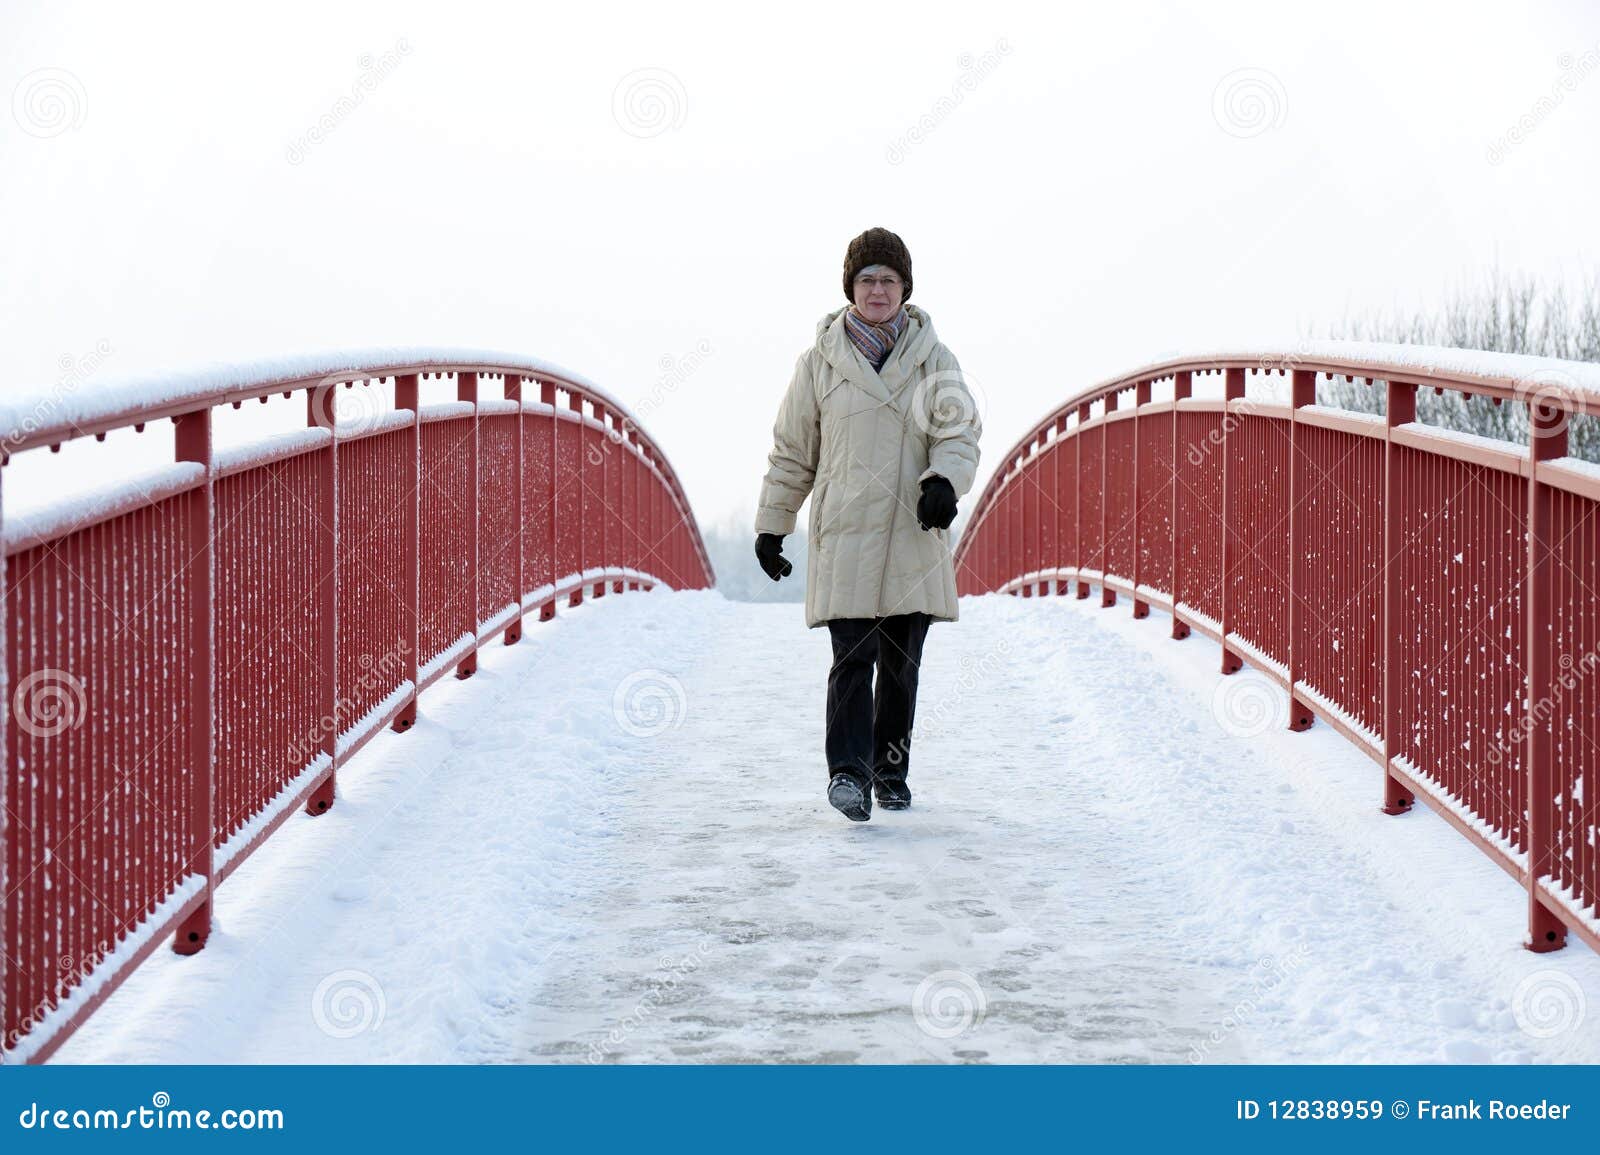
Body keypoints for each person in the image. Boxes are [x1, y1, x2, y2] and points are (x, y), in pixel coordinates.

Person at [753, 227, 982, 822]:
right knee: (852, 657)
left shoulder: (936, 358)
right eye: (867, 280)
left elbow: (958, 432)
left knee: (901, 663)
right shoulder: (817, 364)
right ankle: (849, 775)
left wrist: (943, 480)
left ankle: (890, 770)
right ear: (850, 287)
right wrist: (773, 525)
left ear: (905, 287)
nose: (877, 290)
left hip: (912, 528)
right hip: (849, 528)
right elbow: (793, 450)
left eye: (888, 280)